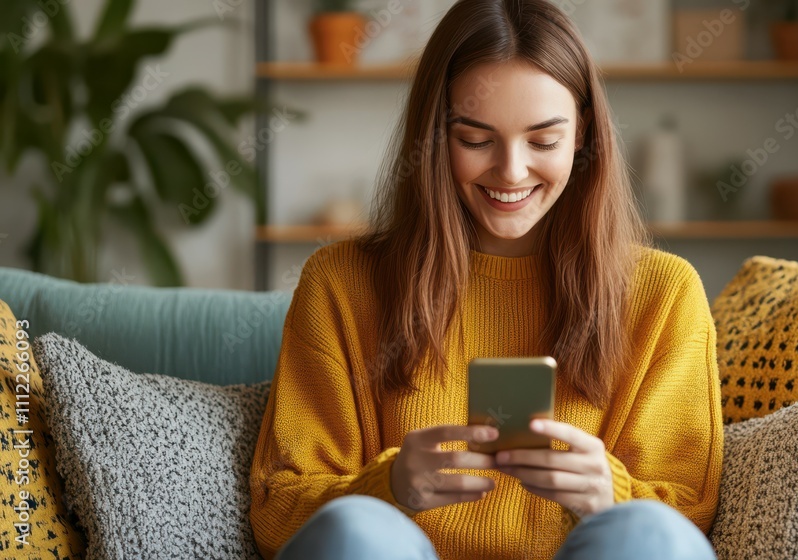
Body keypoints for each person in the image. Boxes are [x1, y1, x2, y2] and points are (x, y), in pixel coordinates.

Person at [248, 0, 722, 558]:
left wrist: (611, 496)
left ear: (583, 134)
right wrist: (387, 488)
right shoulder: (339, 284)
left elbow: (687, 517)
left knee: (649, 533)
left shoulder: (663, 294)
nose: (512, 171)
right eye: (476, 140)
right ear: (434, 135)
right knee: (356, 530)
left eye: (543, 140)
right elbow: (278, 510)